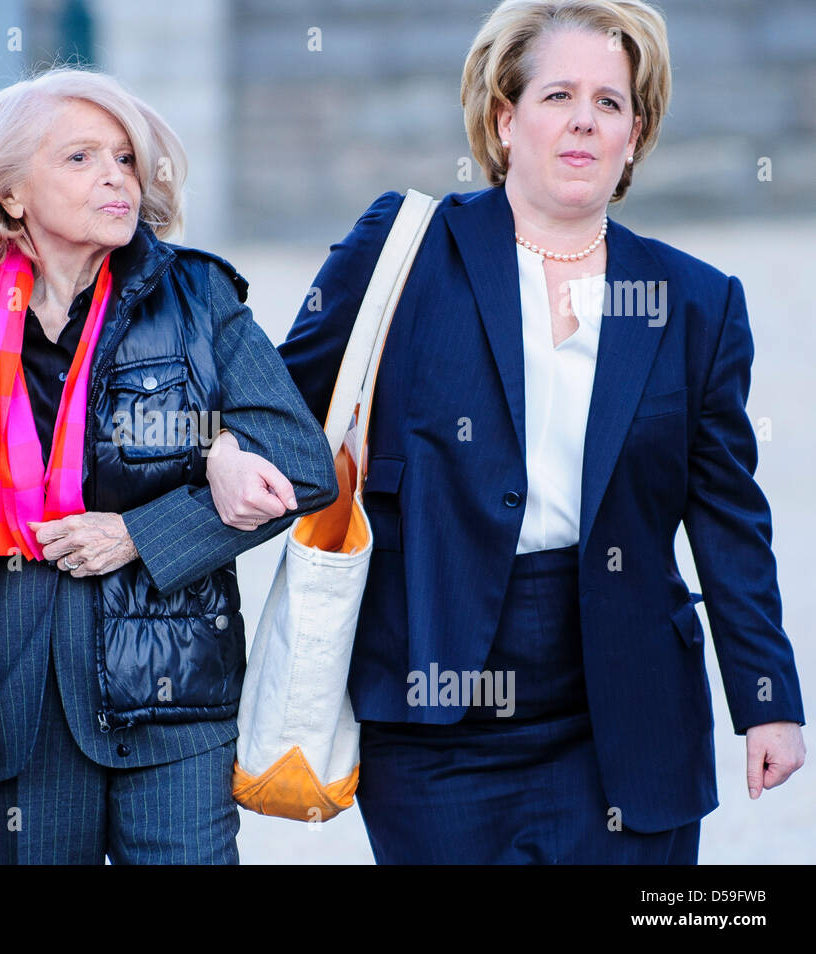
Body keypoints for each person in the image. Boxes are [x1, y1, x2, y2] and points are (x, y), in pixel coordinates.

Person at [222, 0, 806, 863]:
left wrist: (767, 700)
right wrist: (225, 450)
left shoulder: (696, 301)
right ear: (504, 119)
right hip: (436, 713)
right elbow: (279, 397)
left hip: (625, 716)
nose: (584, 120)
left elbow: (728, 517)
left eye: (610, 103)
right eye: (558, 95)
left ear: (636, 135)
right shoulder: (405, 250)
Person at [0, 67, 337, 864]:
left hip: (171, 701)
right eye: (80, 157)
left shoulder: (197, 295)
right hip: (1, 709)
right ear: (10, 194)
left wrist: (145, 530)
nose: (116, 176)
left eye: (125, 158)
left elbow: (303, 464)